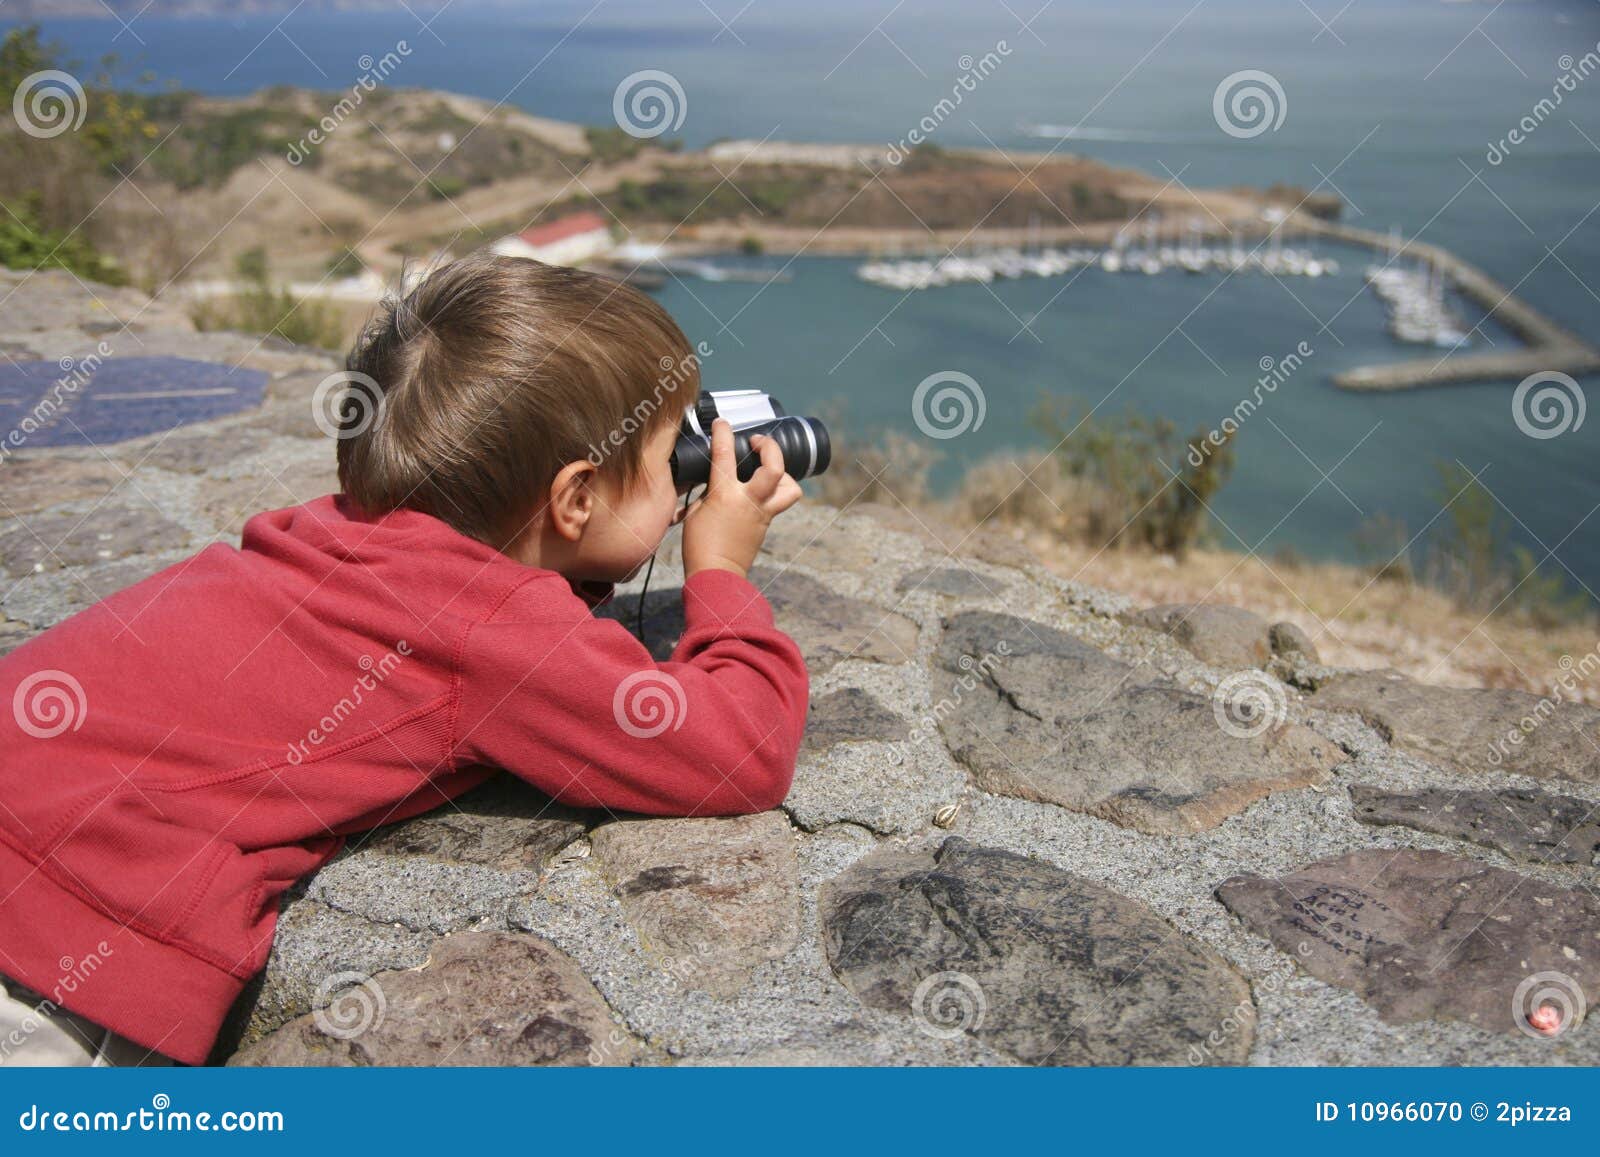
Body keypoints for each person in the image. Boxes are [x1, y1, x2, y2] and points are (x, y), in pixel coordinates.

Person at [0, 252, 808, 1066]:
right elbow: (740, 752)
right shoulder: (491, 628)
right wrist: (720, 572)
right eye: (671, 458)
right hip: (49, 943)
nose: (681, 487)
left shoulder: (329, 530)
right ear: (575, 498)